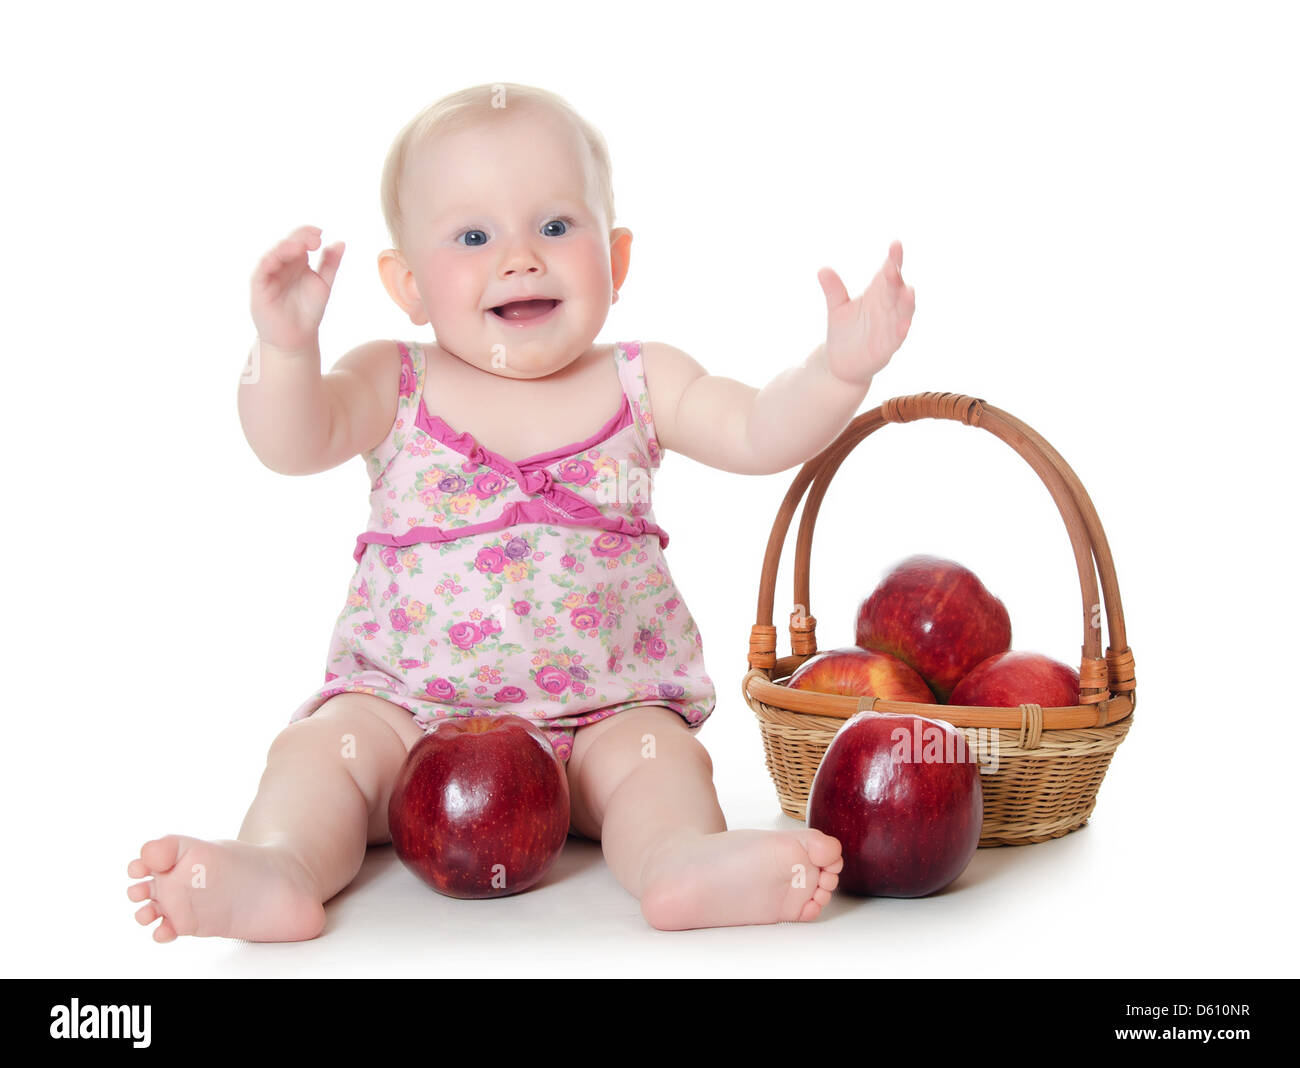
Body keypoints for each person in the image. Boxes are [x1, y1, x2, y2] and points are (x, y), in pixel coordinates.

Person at [126, 82, 915, 939]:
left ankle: (679, 861)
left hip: (602, 717)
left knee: (658, 764)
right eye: (472, 236)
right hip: (404, 716)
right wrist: (284, 349)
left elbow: (759, 430)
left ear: (615, 261)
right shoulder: (392, 379)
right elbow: (290, 441)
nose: (520, 258)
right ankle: (279, 864)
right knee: (321, 755)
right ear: (409, 284)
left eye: (554, 226)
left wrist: (838, 372)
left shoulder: (645, 380)